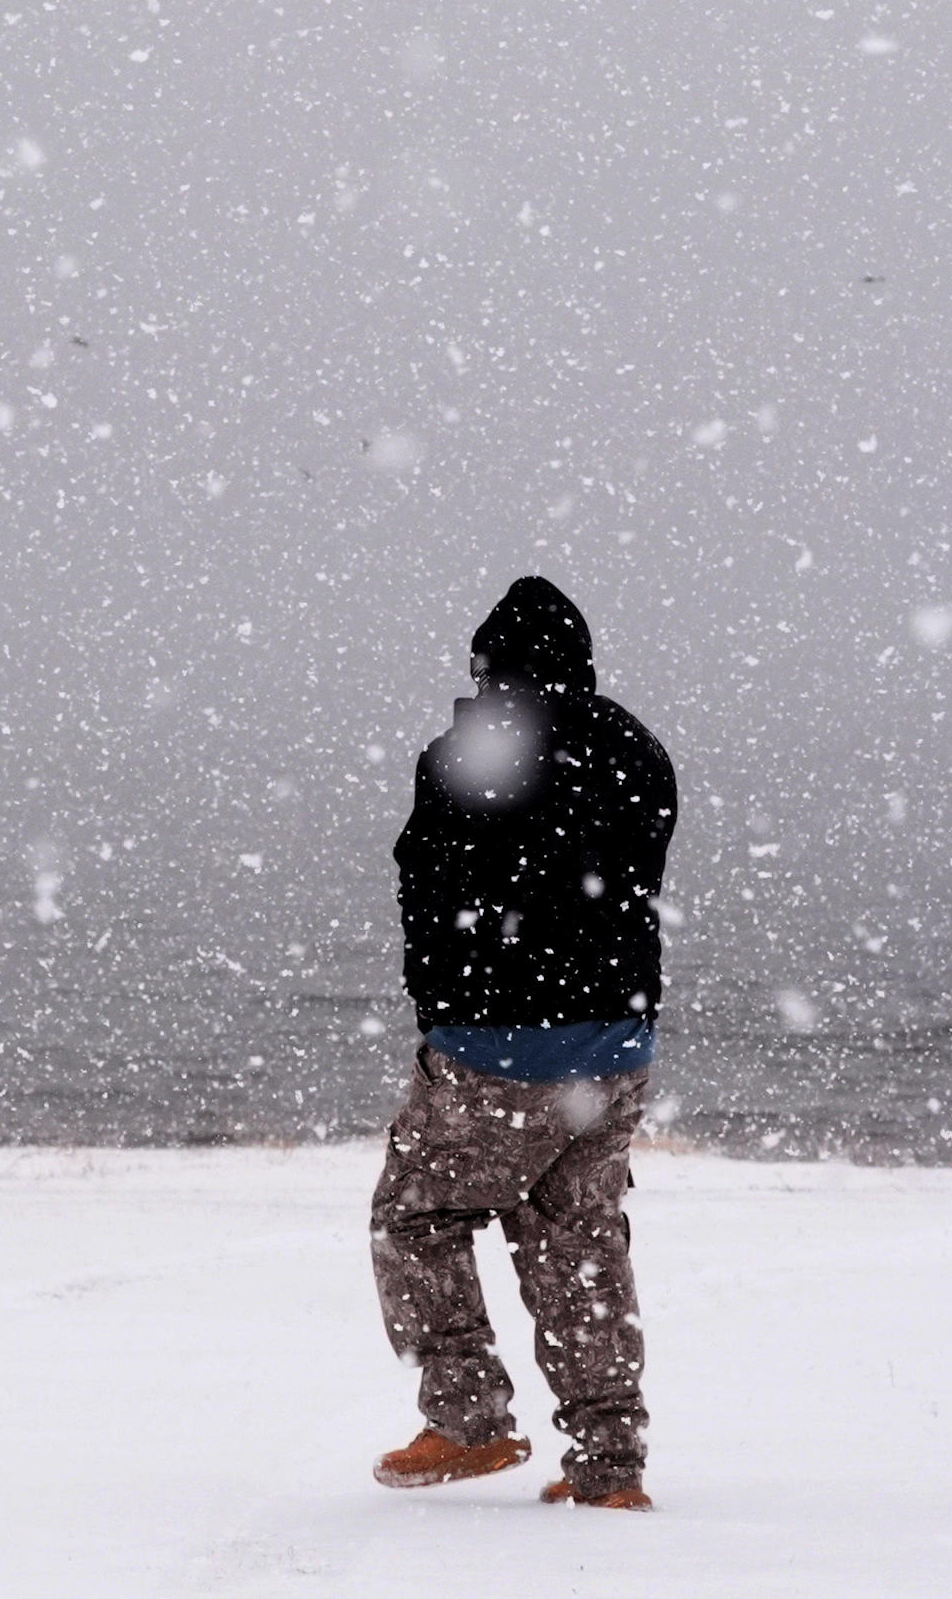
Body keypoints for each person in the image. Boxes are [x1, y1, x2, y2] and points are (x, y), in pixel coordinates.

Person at [367, 573, 681, 1511]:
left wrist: (444, 997)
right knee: (578, 1245)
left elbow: (426, 876)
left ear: (490, 667)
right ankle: (610, 1467)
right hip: (617, 1047)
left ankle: (467, 1421)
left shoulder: (472, 752)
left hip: (500, 1043)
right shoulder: (641, 751)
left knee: (414, 1219)